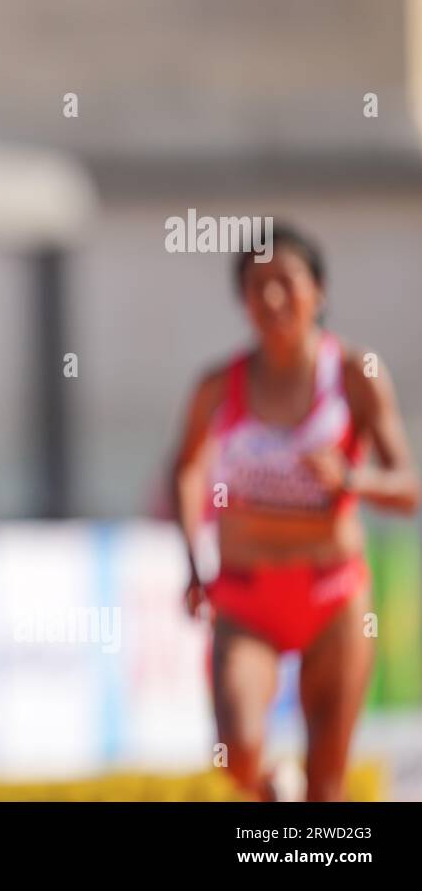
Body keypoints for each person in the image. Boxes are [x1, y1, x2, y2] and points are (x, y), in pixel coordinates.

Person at [171, 223, 417, 801]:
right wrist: (192, 558)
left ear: (320, 292)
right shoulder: (217, 385)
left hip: (333, 597)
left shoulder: (357, 377)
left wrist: (352, 479)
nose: (273, 299)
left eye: (286, 282)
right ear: (243, 302)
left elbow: (408, 489)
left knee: (327, 787)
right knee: (236, 750)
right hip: (245, 596)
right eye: (258, 287)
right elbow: (185, 469)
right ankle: (271, 790)